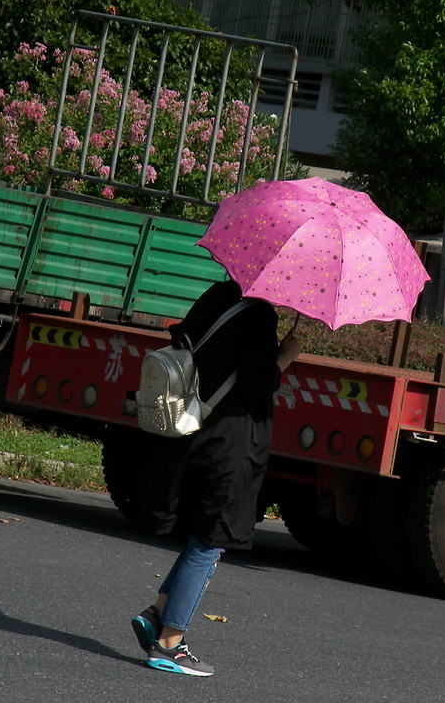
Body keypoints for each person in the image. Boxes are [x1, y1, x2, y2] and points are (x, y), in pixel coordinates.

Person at [129, 278, 300, 676]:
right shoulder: (259, 315)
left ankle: (157, 613)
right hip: (230, 442)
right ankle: (170, 644)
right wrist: (285, 357)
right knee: (211, 542)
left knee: (202, 539)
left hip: (195, 431)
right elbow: (257, 383)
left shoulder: (219, 295)